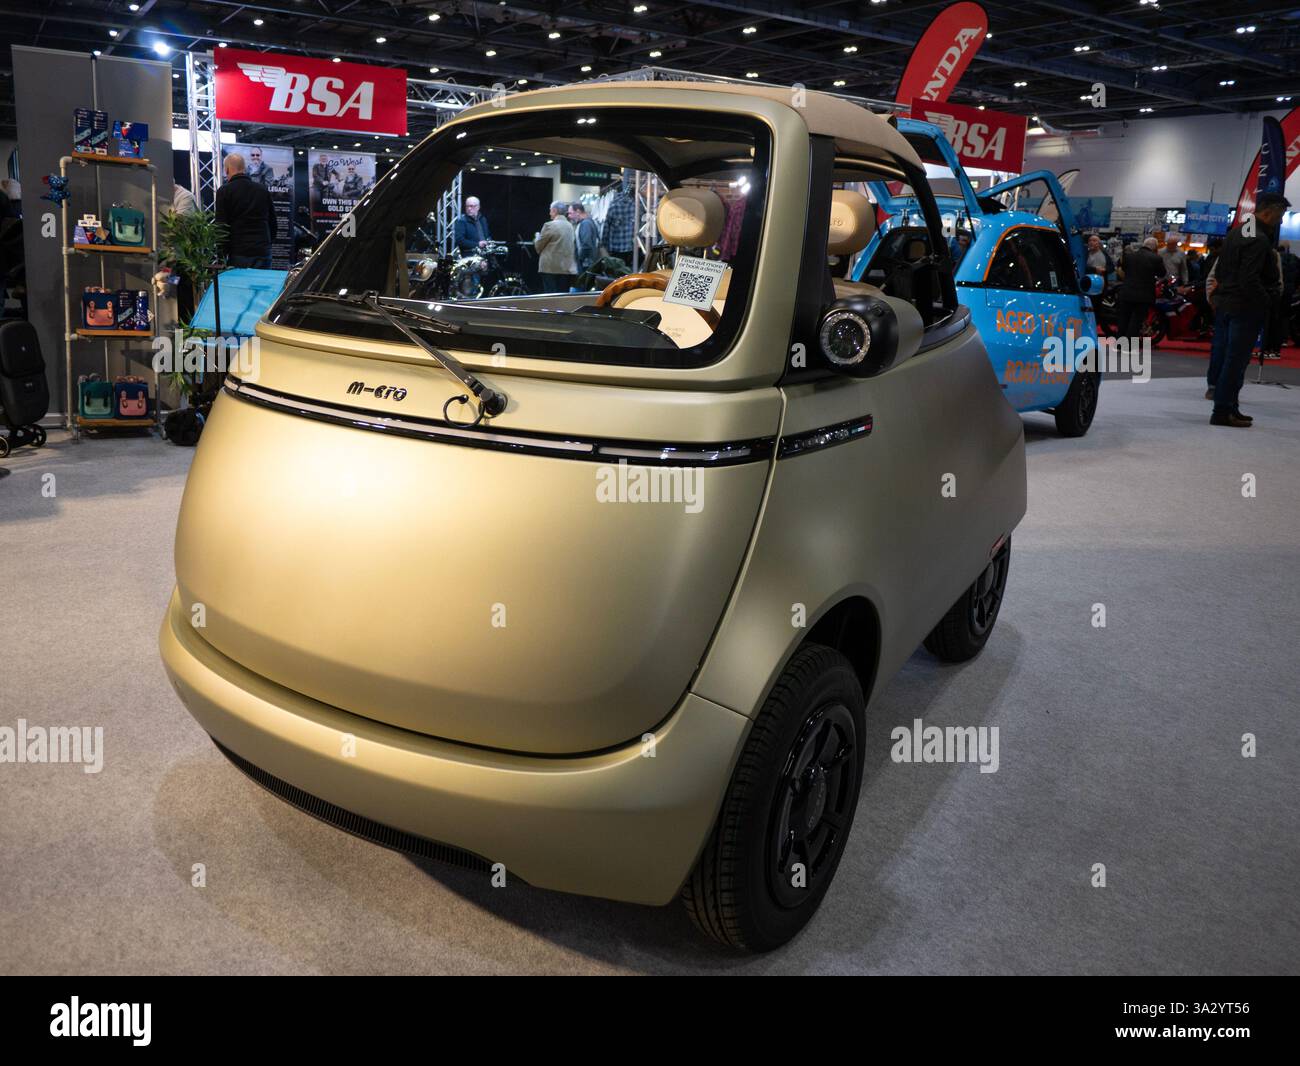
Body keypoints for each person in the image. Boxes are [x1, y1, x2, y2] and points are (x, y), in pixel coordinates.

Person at [1209, 191, 1290, 427]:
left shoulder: (1236, 232)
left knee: (1228, 358)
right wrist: (1266, 300)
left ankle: (1229, 407)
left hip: (1227, 304)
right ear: (1269, 211)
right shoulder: (1259, 239)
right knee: (1236, 361)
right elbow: (1249, 279)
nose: (1282, 220)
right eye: (1281, 214)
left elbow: (1222, 272)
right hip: (1244, 307)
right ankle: (1223, 411)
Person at [214, 152, 274, 269]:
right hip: (262, 250)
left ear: (226, 170)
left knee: (241, 286)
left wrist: (221, 255)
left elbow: (221, 225)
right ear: (244, 168)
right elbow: (272, 221)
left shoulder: (225, 191)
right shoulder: (262, 190)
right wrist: (267, 244)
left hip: (239, 252)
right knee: (262, 286)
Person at [1117, 236, 1164, 341]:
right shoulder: (1156, 258)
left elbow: (1123, 268)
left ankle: (1119, 343)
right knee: (1136, 321)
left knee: (1124, 319)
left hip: (1127, 291)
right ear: (1155, 248)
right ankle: (1129, 345)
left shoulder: (1130, 256)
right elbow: (1162, 273)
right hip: (1144, 295)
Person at [534, 200, 576, 293]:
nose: (549, 213)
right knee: (562, 297)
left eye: (550, 210)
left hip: (550, 268)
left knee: (550, 298)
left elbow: (538, 247)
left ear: (554, 210)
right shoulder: (571, 226)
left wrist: (537, 237)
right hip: (566, 268)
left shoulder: (549, 225)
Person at [600, 178, 636, 261]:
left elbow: (606, 228)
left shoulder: (615, 204)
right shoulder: (641, 204)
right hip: (635, 248)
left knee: (619, 272)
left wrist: (603, 245)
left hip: (616, 249)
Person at [569, 201, 599, 276]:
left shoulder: (585, 224)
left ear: (578, 212)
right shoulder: (586, 223)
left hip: (586, 264)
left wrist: (580, 259)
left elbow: (586, 245)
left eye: (570, 213)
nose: (569, 216)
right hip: (587, 263)